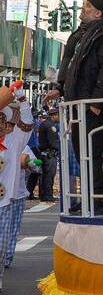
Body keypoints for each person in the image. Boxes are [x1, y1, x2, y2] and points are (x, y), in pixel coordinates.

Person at [47, 0, 103, 215]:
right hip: (77, 101)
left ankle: (98, 199)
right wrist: (60, 88)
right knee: (82, 152)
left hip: (90, 103)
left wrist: (97, 102)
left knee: (92, 151)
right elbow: (71, 65)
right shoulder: (81, 34)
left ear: (98, 13)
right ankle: (90, 197)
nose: (82, 10)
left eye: (87, 7)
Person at [0, 98, 37, 279]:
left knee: (1, 243)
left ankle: (4, 262)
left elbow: (28, 123)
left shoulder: (15, 141)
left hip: (6, 199)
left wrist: (23, 101)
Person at [32, 107, 60, 202]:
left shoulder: (45, 124)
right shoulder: (50, 126)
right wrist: (60, 149)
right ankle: (47, 195)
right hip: (49, 154)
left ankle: (44, 194)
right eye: (58, 115)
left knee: (45, 176)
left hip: (45, 153)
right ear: (54, 115)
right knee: (49, 176)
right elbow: (52, 142)